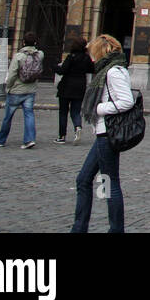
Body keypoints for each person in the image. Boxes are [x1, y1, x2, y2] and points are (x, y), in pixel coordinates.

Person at [71, 34, 133, 233]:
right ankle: (80, 228)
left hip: (108, 135)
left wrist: (98, 108)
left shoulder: (114, 71)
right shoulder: (105, 70)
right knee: (84, 179)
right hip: (102, 133)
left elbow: (126, 101)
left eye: (92, 52)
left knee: (108, 182)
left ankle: (115, 230)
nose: (91, 57)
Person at [0, 32, 43, 149]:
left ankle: (1, 140)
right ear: (35, 42)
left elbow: (12, 74)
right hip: (30, 90)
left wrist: (8, 87)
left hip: (16, 90)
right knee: (29, 115)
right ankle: (29, 139)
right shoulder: (40, 54)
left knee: (8, 117)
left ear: (23, 42)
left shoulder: (18, 56)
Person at [54, 36, 93, 144]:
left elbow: (62, 70)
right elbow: (92, 69)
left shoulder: (71, 57)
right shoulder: (86, 58)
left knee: (63, 112)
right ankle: (78, 127)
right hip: (80, 87)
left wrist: (54, 66)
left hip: (66, 87)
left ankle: (62, 136)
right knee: (75, 111)